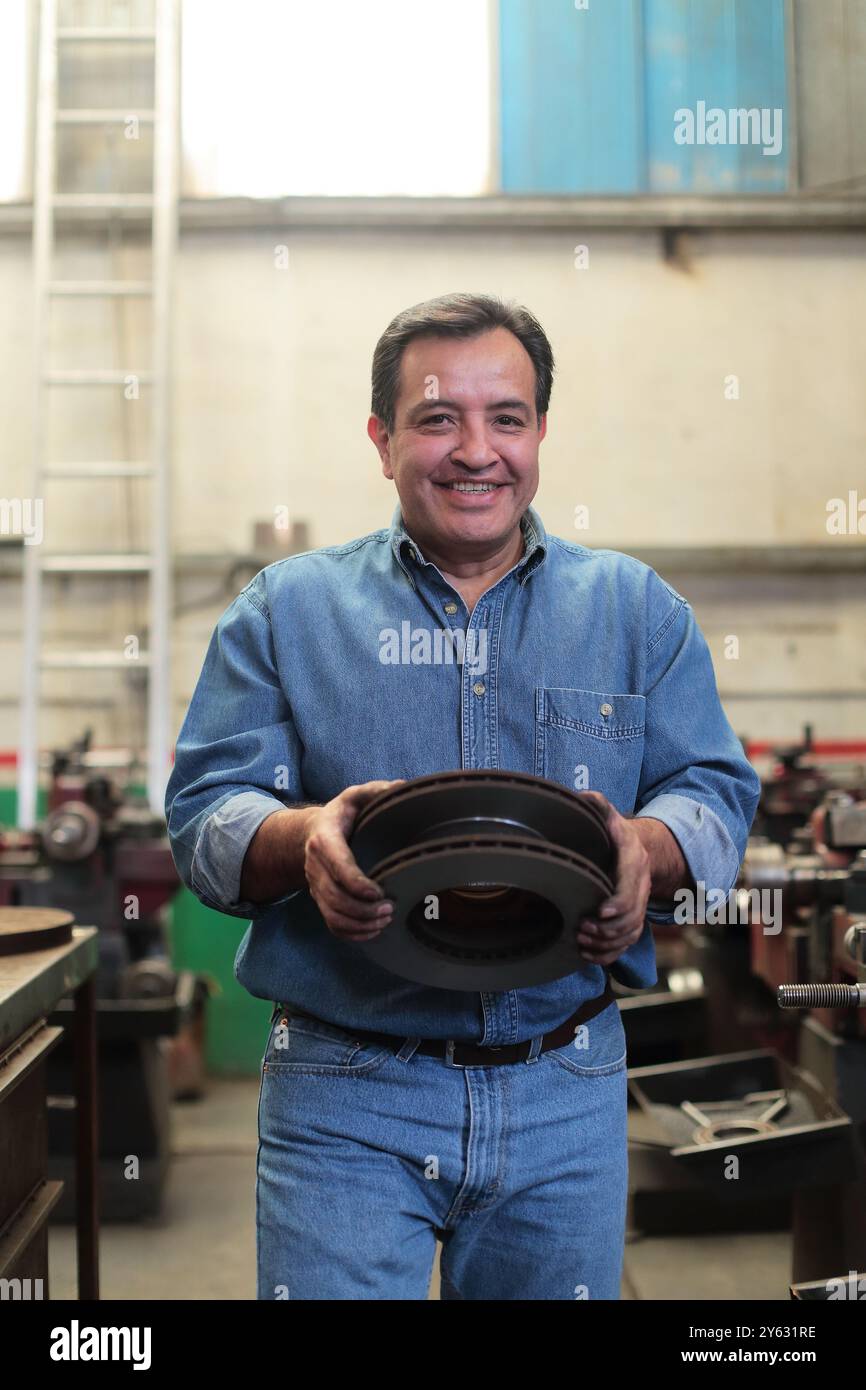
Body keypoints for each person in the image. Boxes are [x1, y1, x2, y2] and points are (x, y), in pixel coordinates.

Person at [165, 292, 760, 1300]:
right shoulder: (285, 611)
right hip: (344, 1085)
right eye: (437, 418)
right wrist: (304, 836)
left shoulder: (634, 613)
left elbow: (709, 787)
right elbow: (205, 811)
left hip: (561, 1083)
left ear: (538, 434)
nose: (473, 450)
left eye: (506, 418)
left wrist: (646, 848)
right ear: (382, 438)